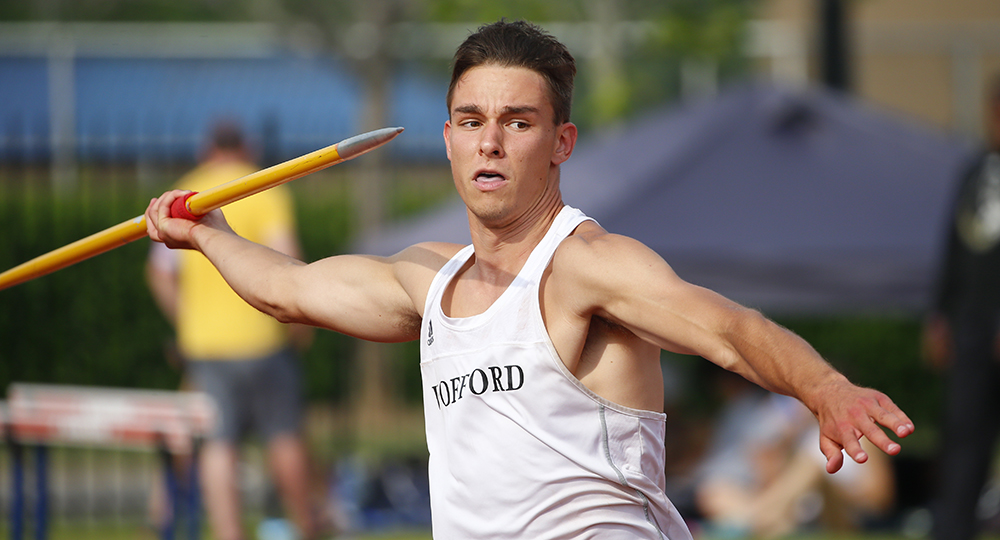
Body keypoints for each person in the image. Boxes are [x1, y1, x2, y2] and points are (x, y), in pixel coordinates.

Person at [144, 20, 914, 539]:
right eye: (472, 121)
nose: (490, 143)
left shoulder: (587, 267)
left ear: (560, 142)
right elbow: (289, 290)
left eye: (517, 121)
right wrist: (208, 235)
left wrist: (824, 389)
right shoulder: (427, 280)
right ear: (447, 140)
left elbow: (730, 331)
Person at [145, 121, 322, 540]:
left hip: (206, 345)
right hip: (263, 336)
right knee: (284, 434)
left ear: (207, 149)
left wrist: (186, 318)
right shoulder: (267, 188)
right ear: (246, 148)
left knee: (218, 443)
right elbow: (289, 259)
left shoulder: (183, 194)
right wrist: (299, 324)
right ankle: (306, 524)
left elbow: (159, 274)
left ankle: (229, 533)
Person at [924, 77, 1000, 540]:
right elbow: (954, 247)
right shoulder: (976, 169)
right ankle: (953, 528)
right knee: (964, 433)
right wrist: (940, 314)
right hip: (970, 324)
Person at [693, 369, 895, 537]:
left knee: (812, 468)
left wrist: (824, 488)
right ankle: (755, 522)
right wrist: (783, 444)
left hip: (841, 513)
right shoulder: (791, 436)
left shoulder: (861, 434)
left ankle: (750, 524)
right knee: (715, 491)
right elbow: (768, 485)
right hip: (794, 512)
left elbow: (880, 500)